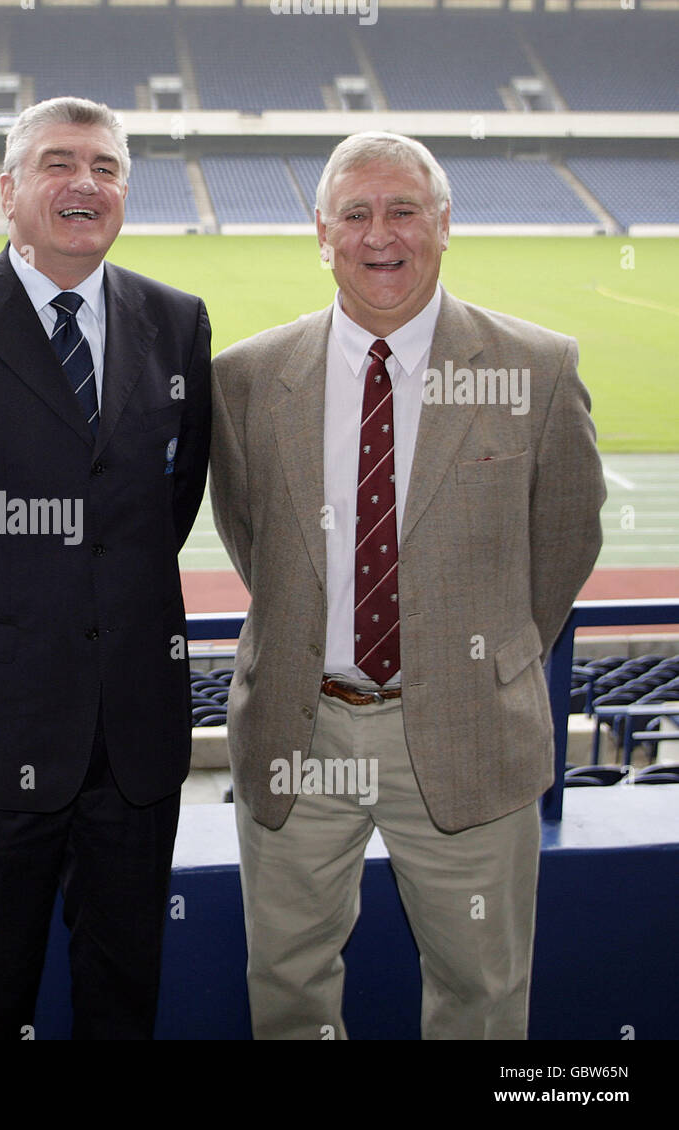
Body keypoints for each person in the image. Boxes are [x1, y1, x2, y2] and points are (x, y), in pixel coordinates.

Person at [210, 131, 605, 1040]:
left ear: (444, 223)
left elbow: (565, 541)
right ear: (321, 232)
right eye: (355, 214)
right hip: (300, 729)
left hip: (471, 728)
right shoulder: (247, 378)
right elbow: (254, 540)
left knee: (482, 994)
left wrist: (482, 657)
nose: (379, 234)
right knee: (288, 983)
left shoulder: (537, 368)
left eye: (403, 211)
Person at [0, 96, 211, 1039]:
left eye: (105, 167)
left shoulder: (176, 323)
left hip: (132, 737)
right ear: (8, 189)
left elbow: (164, 509)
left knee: (123, 998)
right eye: (59, 163)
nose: (84, 184)